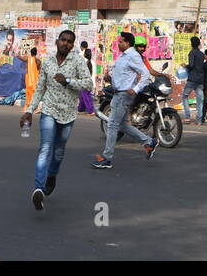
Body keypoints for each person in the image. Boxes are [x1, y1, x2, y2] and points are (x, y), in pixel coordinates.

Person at [21, 29, 91, 210]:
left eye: (69, 41)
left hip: (68, 114)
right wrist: (29, 110)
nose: (65, 43)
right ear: (57, 42)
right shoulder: (48, 62)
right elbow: (40, 89)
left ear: (72, 45)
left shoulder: (77, 61)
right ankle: (38, 189)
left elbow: (88, 84)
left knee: (59, 152)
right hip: (49, 110)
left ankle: (52, 175)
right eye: (63, 40)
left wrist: (68, 80)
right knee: (45, 148)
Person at [93, 31, 158, 169]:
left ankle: (107, 158)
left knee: (111, 125)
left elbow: (145, 74)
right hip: (118, 92)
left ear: (128, 43)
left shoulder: (133, 55)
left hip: (124, 95)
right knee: (122, 125)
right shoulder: (123, 56)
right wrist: (110, 78)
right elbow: (124, 74)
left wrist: (135, 89)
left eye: (121, 41)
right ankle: (149, 141)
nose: (119, 43)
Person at [181, 35, 205, 124]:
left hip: (192, 79)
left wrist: (185, 66)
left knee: (184, 96)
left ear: (191, 44)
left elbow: (191, 65)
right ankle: (199, 120)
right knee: (199, 100)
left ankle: (187, 116)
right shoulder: (202, 54)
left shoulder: (192, 53)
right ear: (198, 44)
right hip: (200, 80)